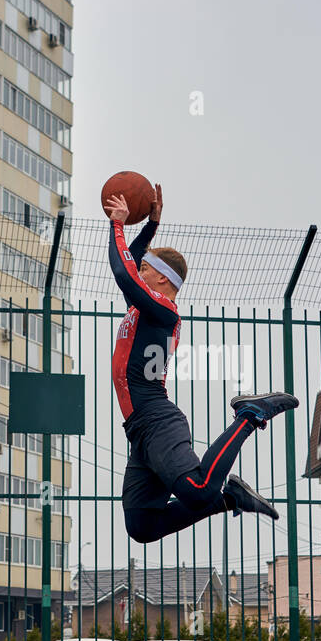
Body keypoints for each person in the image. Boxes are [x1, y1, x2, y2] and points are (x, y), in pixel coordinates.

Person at [105, 184, 296, 544]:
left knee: (197, 488)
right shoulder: (146, 305)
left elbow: (123, 272)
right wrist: (151, 224)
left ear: (161, 278)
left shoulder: (162, 310)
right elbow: (128, 263)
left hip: (157, 419)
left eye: (145, 269)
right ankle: (231, 499)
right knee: (142, 526)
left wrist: (117, 224)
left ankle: (250, 414)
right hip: (140, 429)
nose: (138, 270)